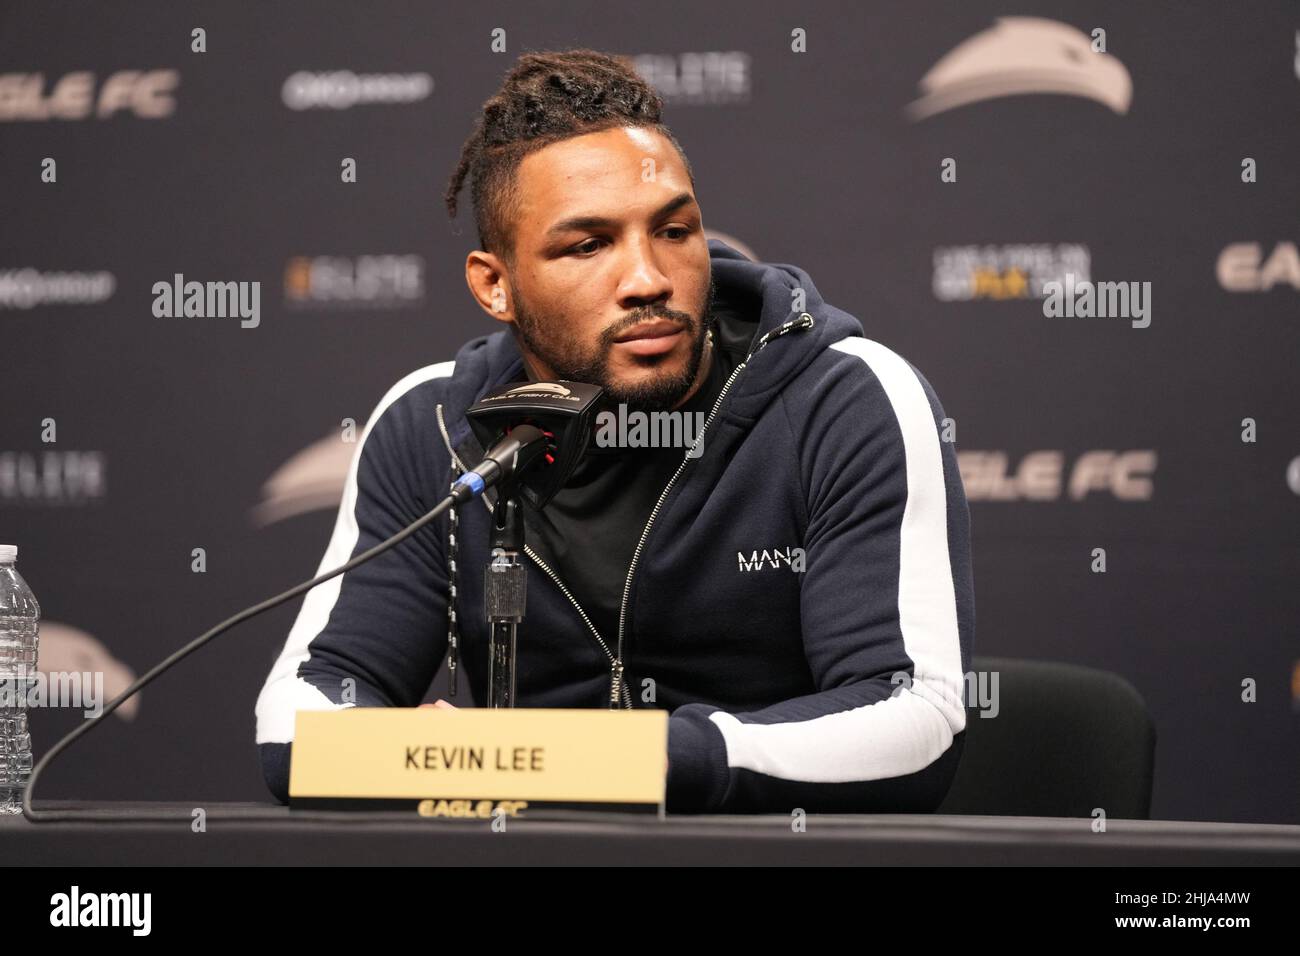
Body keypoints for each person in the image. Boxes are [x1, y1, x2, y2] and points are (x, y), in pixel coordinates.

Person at [255, 49, 974, 814]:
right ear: (494, 284)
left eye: (673, 230)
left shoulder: (845, 397)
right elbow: (297, 727)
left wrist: (598, 762)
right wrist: (435, 761)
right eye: (589, 245)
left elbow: (913, 721)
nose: (648, 279)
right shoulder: (434, 421)